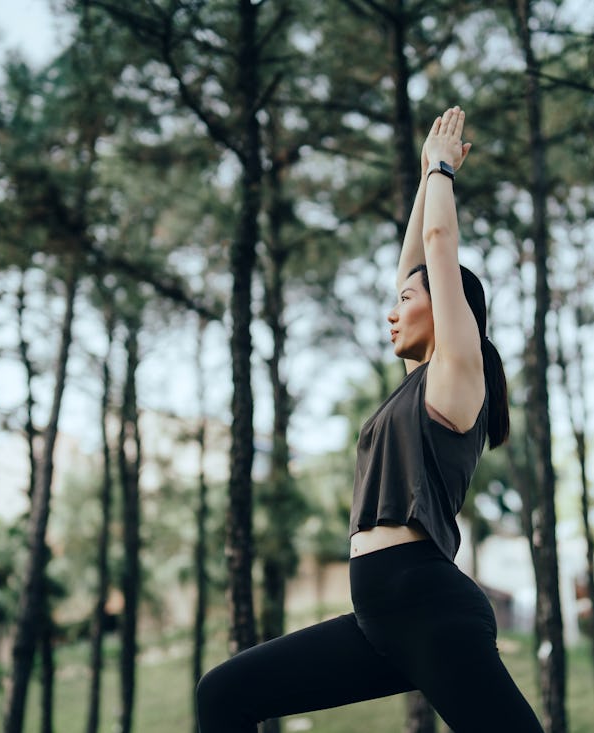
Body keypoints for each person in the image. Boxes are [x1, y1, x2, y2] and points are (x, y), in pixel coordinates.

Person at [196, 106, 544, 733]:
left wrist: (442, 170)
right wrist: (422, 181)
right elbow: (416, 257)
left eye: (407, 301)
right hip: (379, 613)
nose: (392, 312)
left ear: (449, 309)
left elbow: (438, 247)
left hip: (427, 605)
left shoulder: (457, 373)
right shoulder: (417, 388)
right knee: (224, 695)